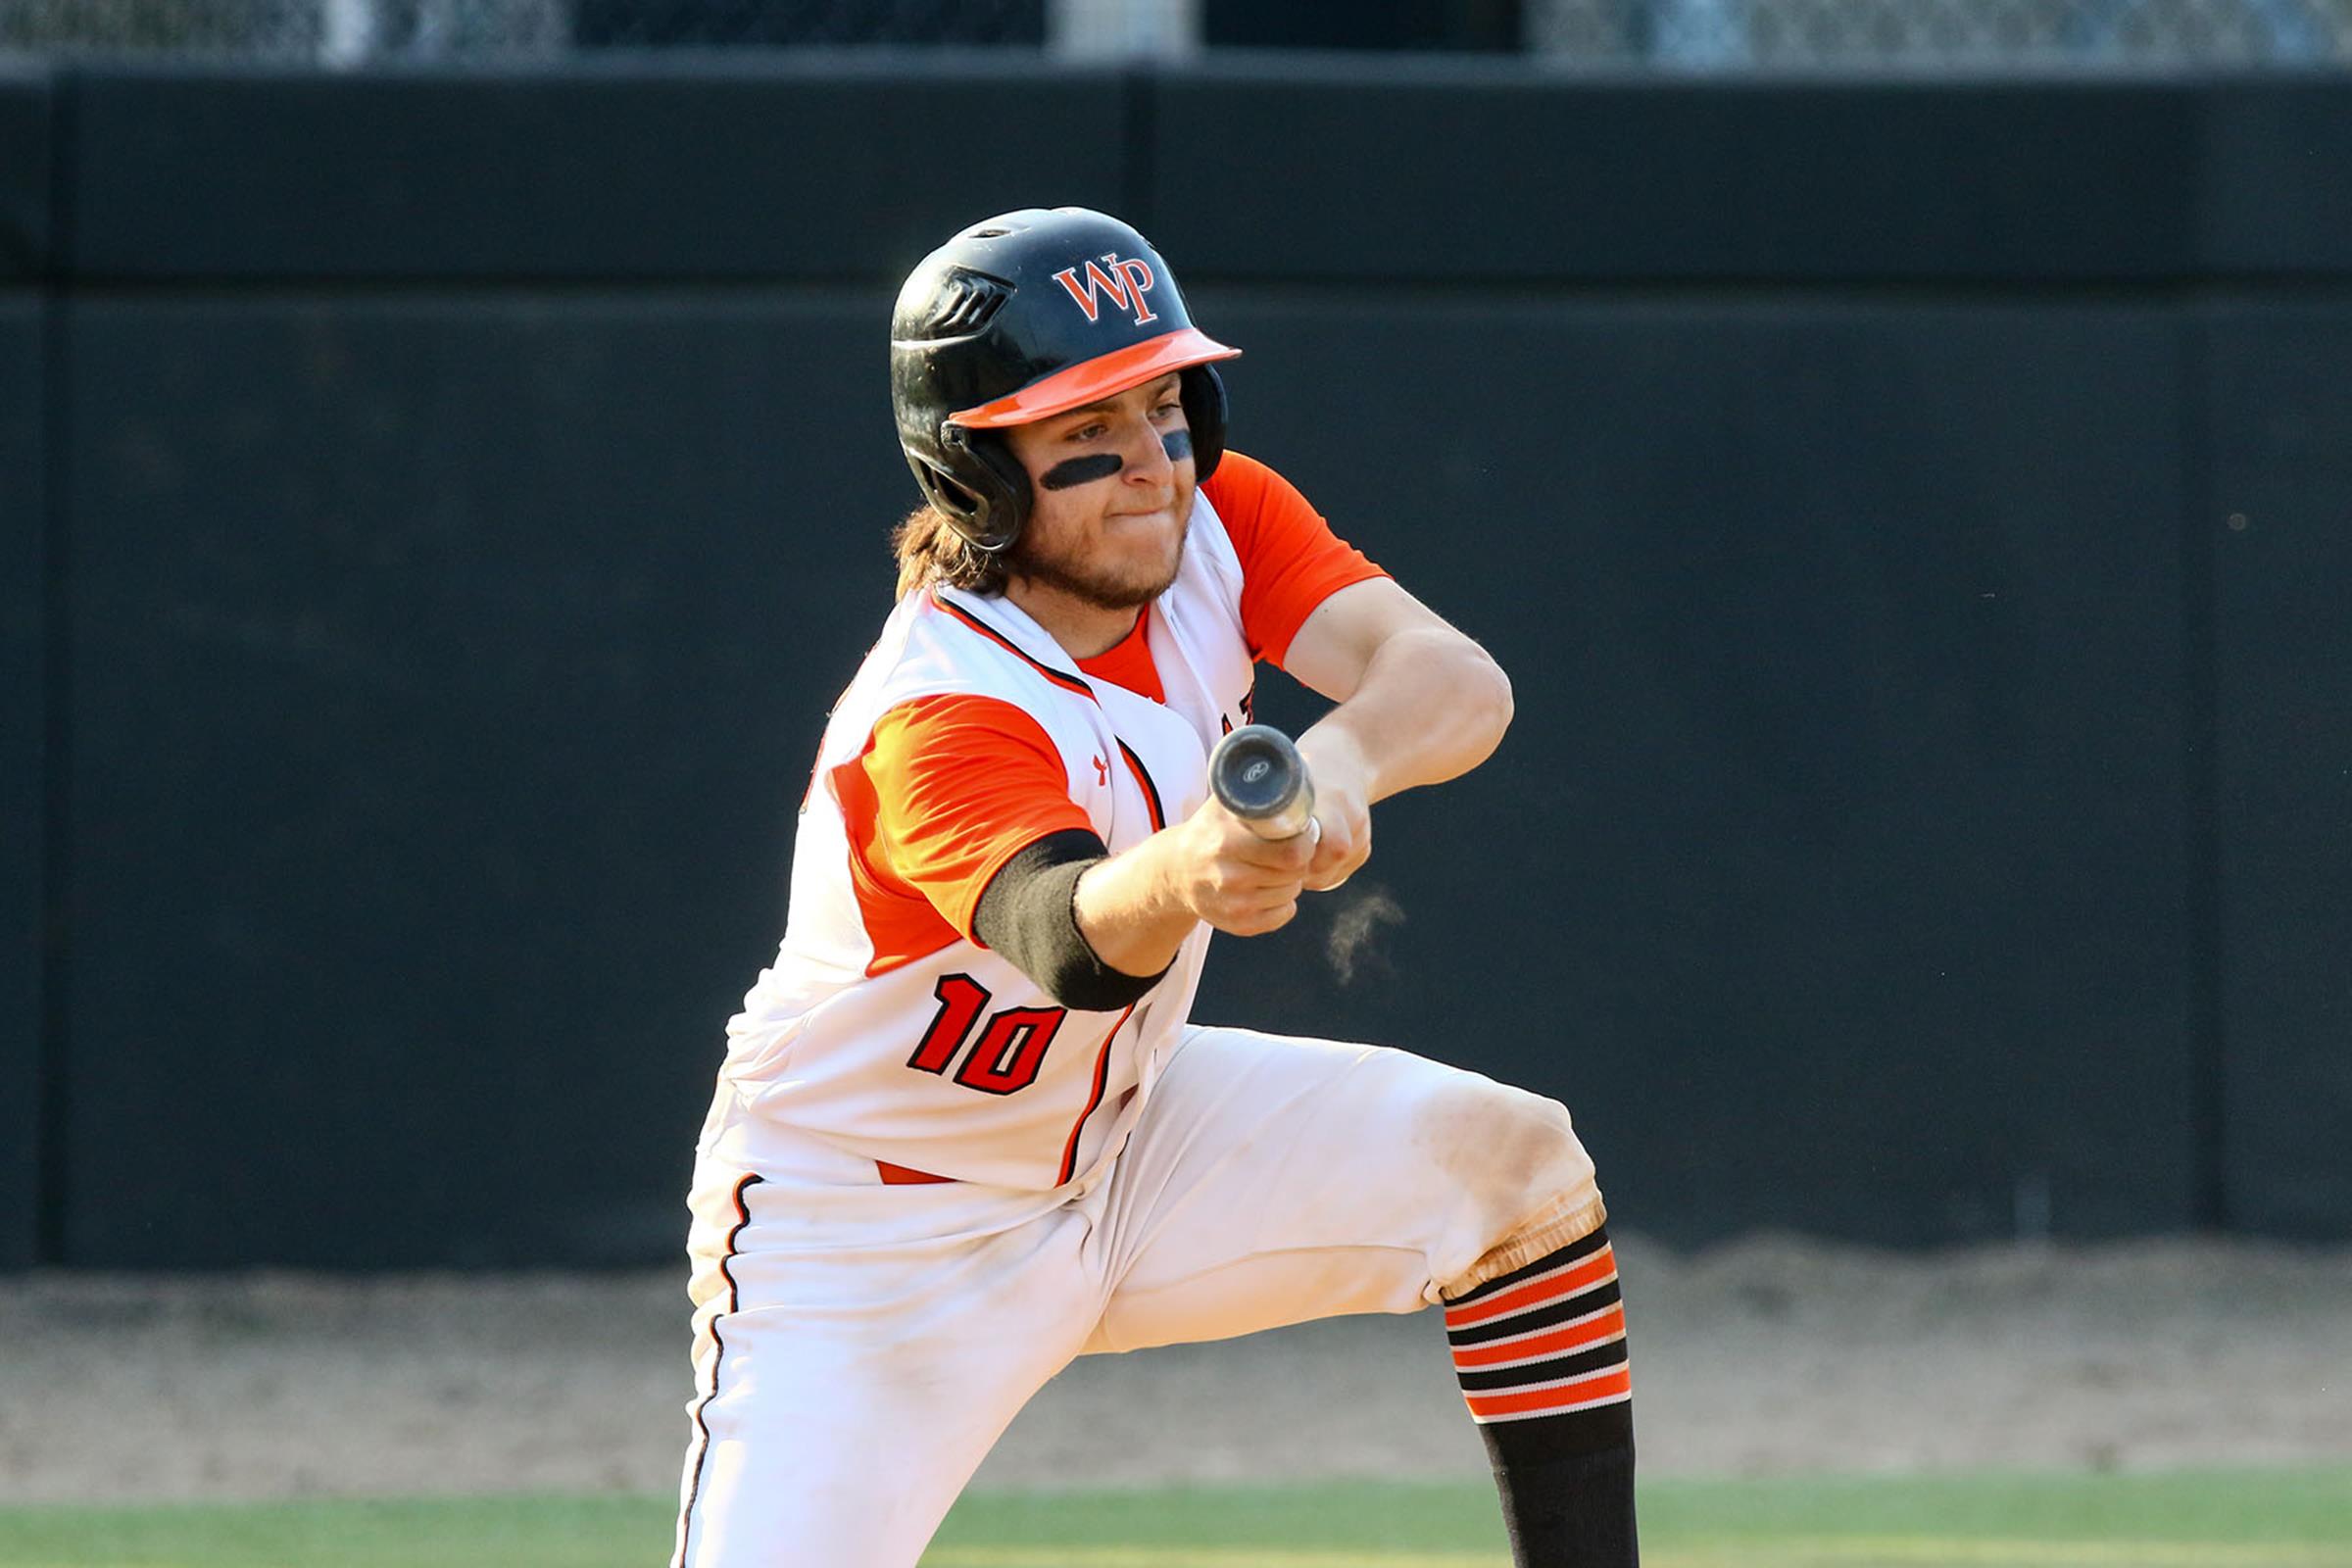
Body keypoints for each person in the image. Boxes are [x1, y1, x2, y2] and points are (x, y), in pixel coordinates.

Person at [672, 207, 1639, 1568]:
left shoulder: (1213, 521)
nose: (1147, 465)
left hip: (1127, 1142)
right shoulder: (938, 708)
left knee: (1513, 1169)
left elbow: (1460, 685)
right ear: (974, 471)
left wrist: (1341, 766)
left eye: (1166, 406)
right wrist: (1191, 871)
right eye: (1087, 433)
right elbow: (1067, 939)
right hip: (873, 1231)